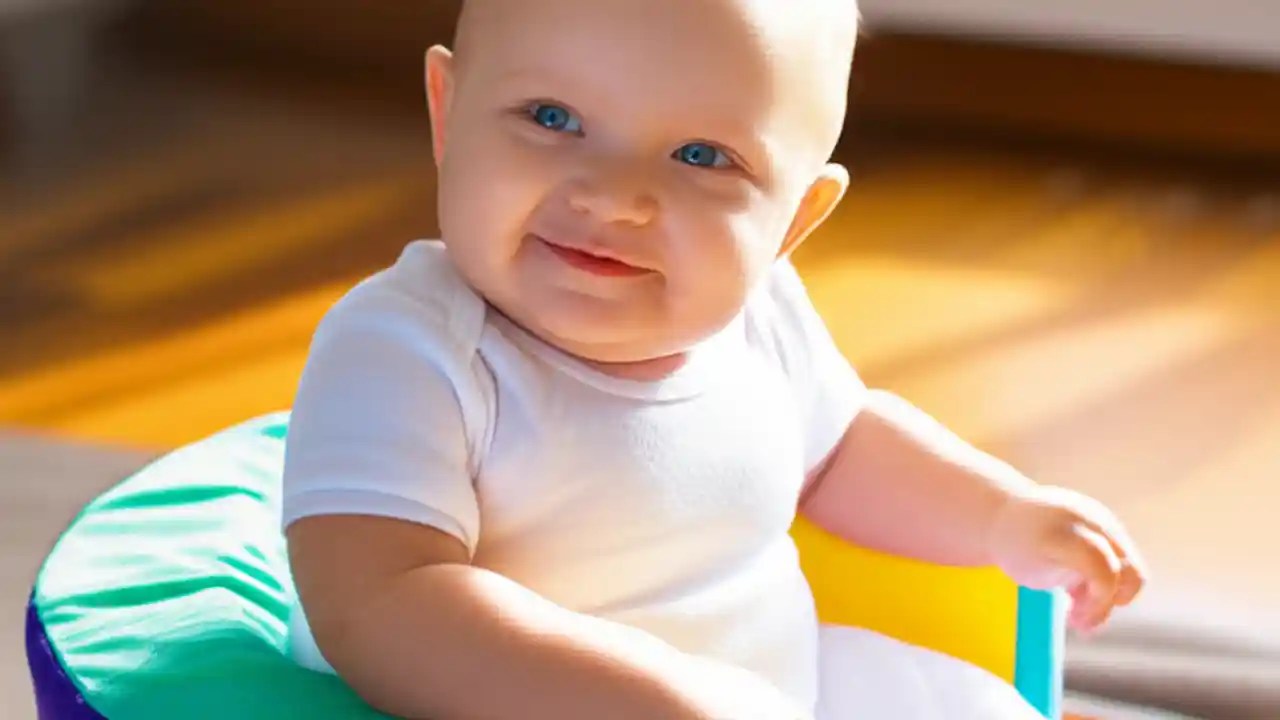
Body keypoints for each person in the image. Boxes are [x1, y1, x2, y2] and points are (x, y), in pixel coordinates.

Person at [281, 1, 1147, 717]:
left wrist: (1003, 516)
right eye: (553, 119)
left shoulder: (765, 320)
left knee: (967, 702)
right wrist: (649, 701)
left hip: (778, 688)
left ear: (796, 220)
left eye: (702, 157)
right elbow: (380, 600)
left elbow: (844, 451)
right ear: (447, 112)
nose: (614, 196)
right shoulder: (406, 349)